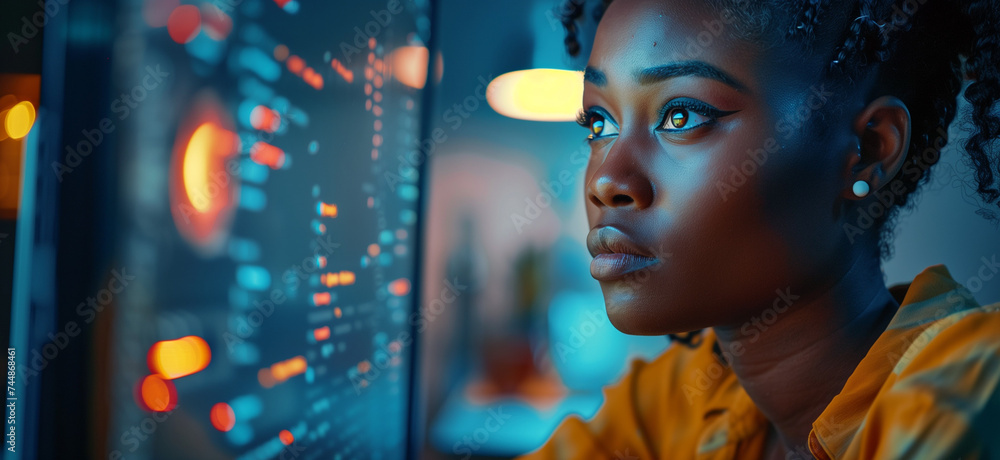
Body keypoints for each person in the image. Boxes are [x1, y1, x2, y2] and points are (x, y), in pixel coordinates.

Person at [519, 0, 1000, 458]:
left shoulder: (974, 386)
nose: (606, 181)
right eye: (600, 122)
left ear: (869, 149)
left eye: (681, 115)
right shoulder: (682, 399)